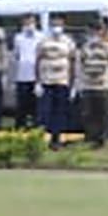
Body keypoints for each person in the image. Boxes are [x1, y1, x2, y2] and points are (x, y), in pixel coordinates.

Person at [77, 19, 108, 148]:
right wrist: (79, 82)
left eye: (96, 31)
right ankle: (91, 135)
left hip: (103, 85)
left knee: (103, 113)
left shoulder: (107, 46)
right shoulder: (85, 47)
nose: (93, 34)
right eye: (91, 31)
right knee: (89, 113)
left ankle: (103, 137)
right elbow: (80, 65)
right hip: (88, 84)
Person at [34, 17, 78, 146]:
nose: (56, 28)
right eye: (54, 25)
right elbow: (37, 61)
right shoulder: (43, 42)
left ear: (63, 26)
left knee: (59, 111)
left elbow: (72, 62)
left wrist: (73, 84)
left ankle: (56, 138)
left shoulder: (68, 42)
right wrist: (37, 82)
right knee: (45, 111)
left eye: (59, 25)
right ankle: (42, 137)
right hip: (46, 81)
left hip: (62, 80)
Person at [11, 16, 44, 127]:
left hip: (37, 75)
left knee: (36, 104)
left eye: (31, 22)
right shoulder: (18, 38)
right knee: (22, 103)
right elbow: (16, 55)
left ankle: (36, 125)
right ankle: (20, 126)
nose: (29, 25)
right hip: (22, 75)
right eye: (26, 23)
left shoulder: (41, 37)